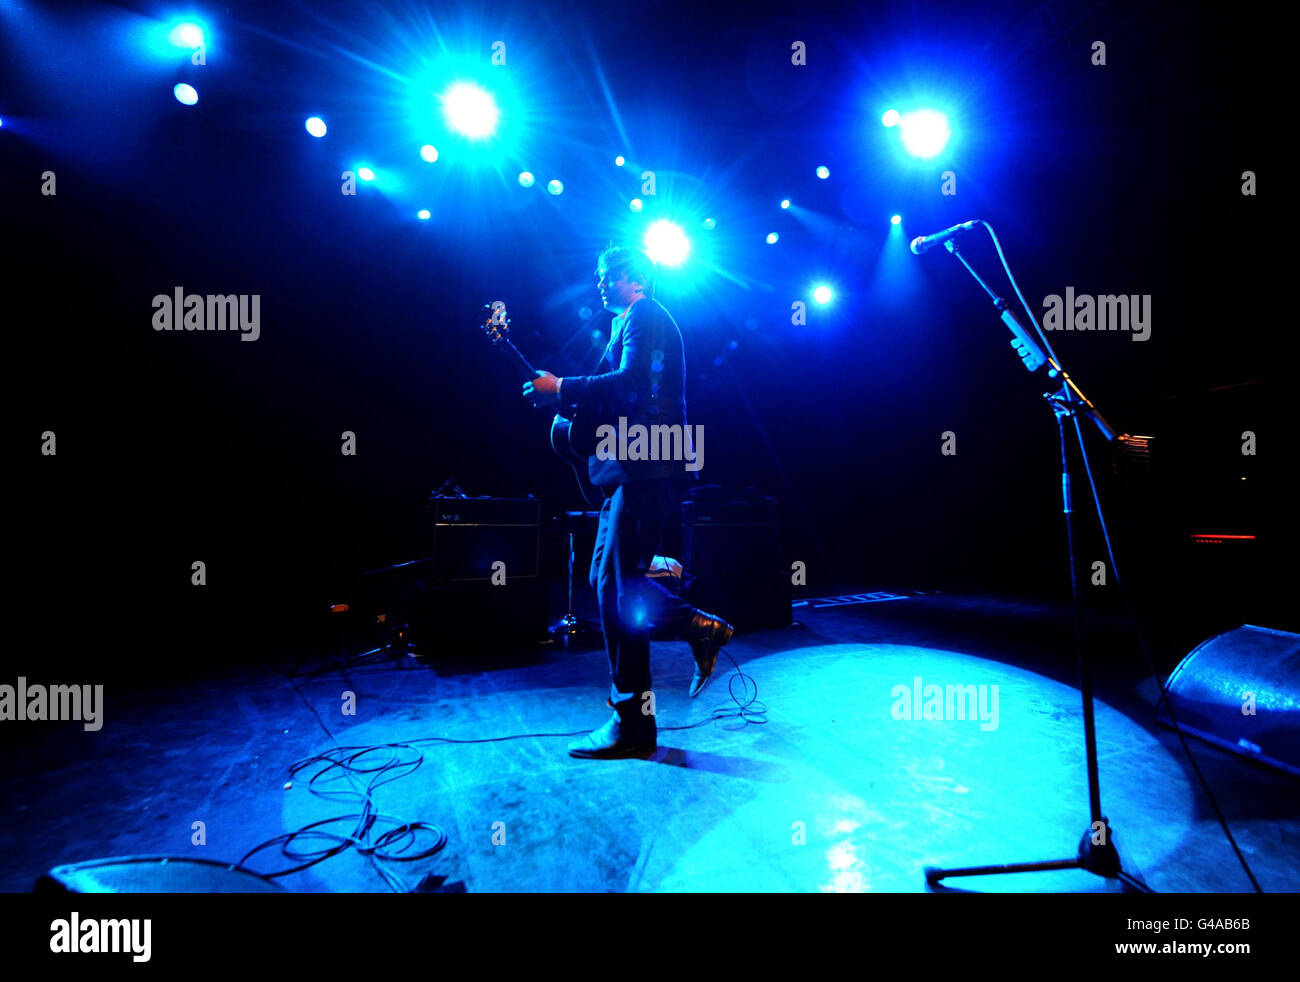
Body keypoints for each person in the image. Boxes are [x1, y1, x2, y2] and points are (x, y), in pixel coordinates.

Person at [523, 246, 733, 759]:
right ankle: (635, 721)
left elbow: (634, 385)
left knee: (619, 588)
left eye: (607, 275)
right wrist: (564, 401)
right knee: (608, 586)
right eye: (597, 275)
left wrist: (564, 387)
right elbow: (620, 395)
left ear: (634, 277)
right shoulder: (630, 323)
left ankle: (696, 633)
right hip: (632, 469)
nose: (599, 283)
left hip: (648, 467)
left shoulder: (648, 316)